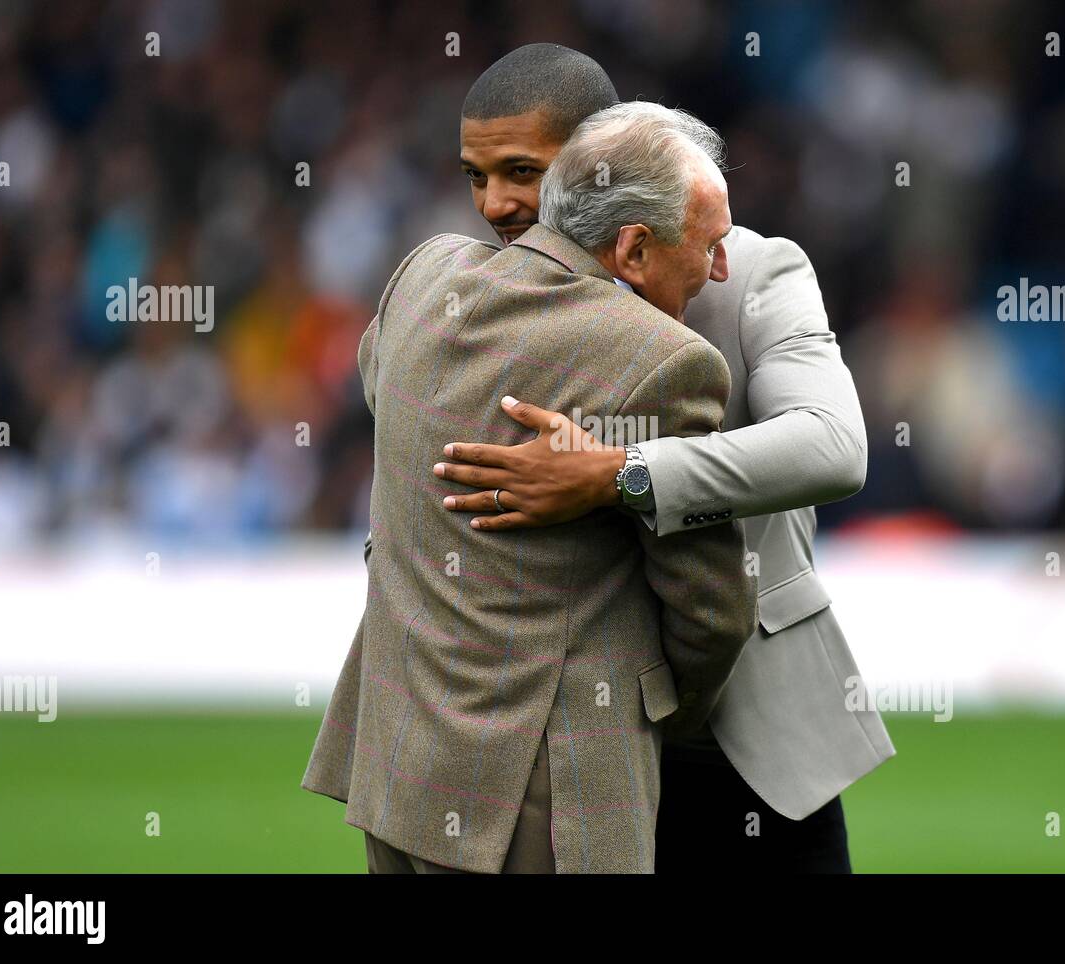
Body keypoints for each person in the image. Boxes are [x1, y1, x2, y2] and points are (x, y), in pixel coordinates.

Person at [438, 44, 896, 873]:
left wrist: (621, 476)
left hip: (746, 731)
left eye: (520, 171)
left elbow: (831, 445)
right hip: (572, 744)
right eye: (476, 176)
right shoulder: (481, 297)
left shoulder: (747, 267)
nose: (497, 204)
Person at [301, 100, 757, 874]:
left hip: (396, 768)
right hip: (545, 794)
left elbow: (384, 386)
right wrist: (668, 715)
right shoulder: (670, 361)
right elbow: (712, 610)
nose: (720, 269)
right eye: (710, 245)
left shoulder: (425, 275)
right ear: (635, 247)